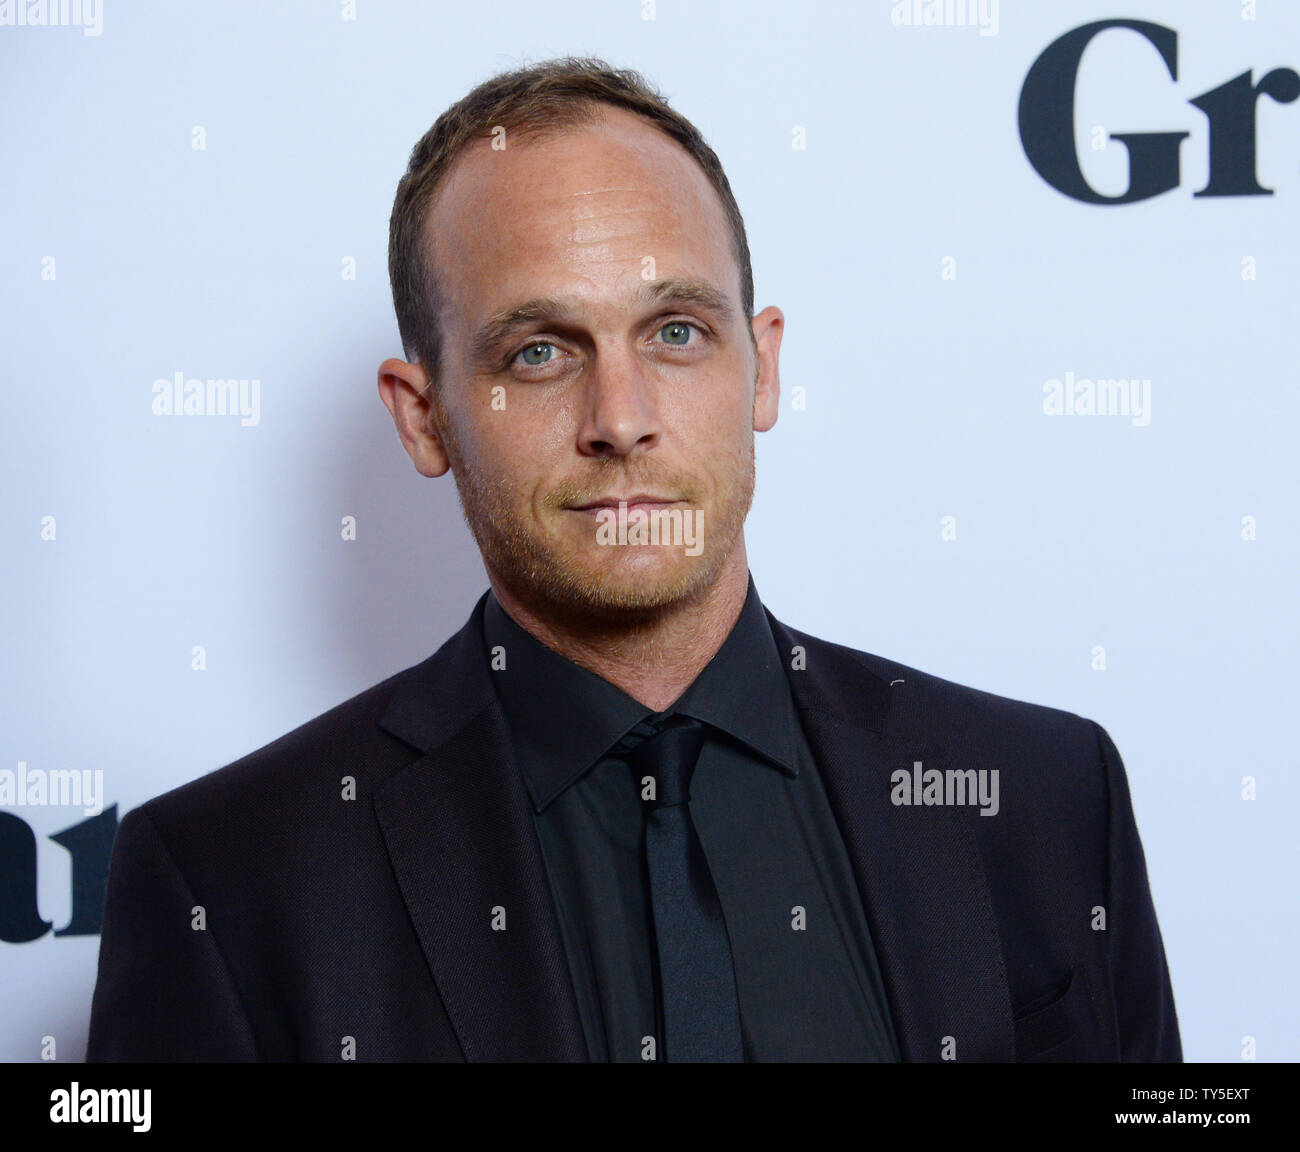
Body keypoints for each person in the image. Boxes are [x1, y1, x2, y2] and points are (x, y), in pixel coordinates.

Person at [86, 56, 1180, 1062]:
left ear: (761, 369)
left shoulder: (1042, 796)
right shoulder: (230, 881)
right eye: (541, 351)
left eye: (673, 332)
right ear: (423, 419)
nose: (621, 419)